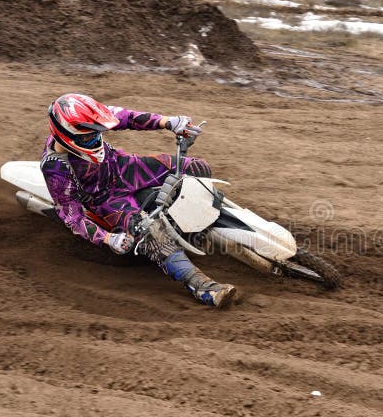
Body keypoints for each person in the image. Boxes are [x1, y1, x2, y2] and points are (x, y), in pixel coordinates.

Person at [40, 93, 237, 307]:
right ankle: (203, 287)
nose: (96, 139)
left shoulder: (94, 118)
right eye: (89, 137)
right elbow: (73, 218)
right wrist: (108, 239)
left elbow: (129, 117)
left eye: (98, 134)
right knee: (151, 233)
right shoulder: (55, 168)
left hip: (124, 167)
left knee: (199, 168)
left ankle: (193, 225)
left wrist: (170, 122)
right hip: (107, 200)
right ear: (67, 135)